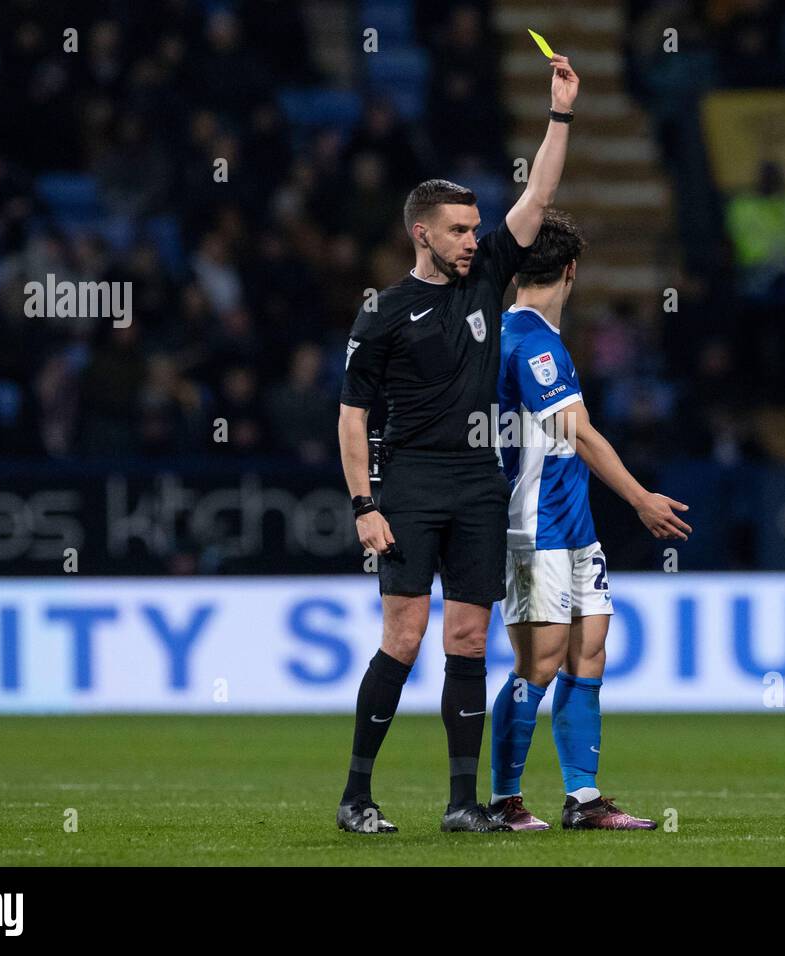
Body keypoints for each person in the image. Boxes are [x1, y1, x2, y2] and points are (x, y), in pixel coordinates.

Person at [335, 56, 581, 834]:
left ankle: (463, 803)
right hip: (408, 483)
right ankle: (356, 796)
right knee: (403, 638)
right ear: (422, 235)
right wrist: (364, 505)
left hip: (480, 482)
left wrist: (560, 116)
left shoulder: (486, 280)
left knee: (469, 637)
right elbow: (350, 418)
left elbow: (540, 194)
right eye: (460, 230)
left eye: (477, 227)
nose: (475, 239)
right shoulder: (382, 314)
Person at [488, 209, 691, 830]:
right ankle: (503, 802)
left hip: (572, 523)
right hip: (535, 525)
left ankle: (583, 800)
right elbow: (579, 434)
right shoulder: (531, 342)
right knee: (540, 662)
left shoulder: (515, 336)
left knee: (589, 653)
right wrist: (640, 497)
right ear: (570, 271)